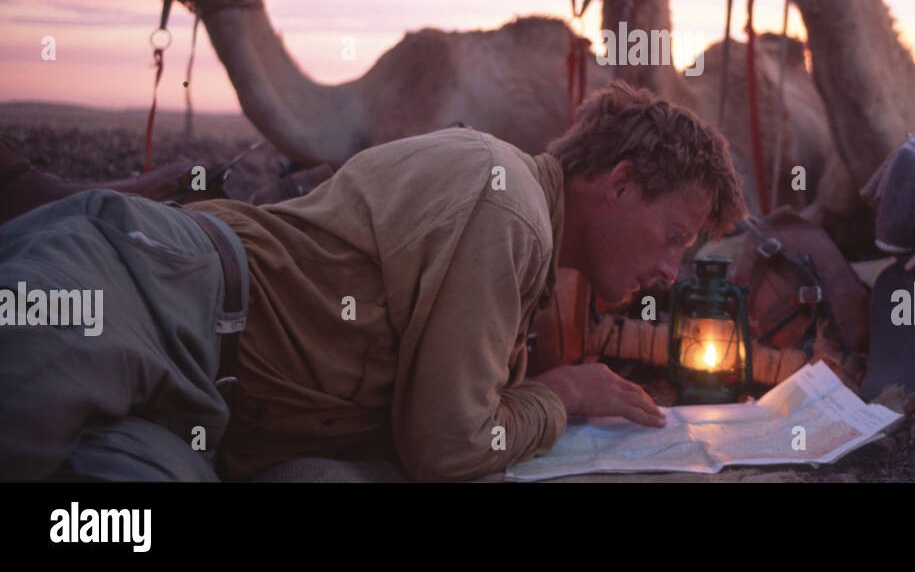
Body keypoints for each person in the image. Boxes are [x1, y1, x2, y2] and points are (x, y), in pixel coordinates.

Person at [0, 81, 746, 481]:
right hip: (149, 291)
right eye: (675, 237)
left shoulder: (523, 244)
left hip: (194, 417)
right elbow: (448, 449)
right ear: (618, 184)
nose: (671, 272)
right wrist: (564, 393)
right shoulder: (509, 205)